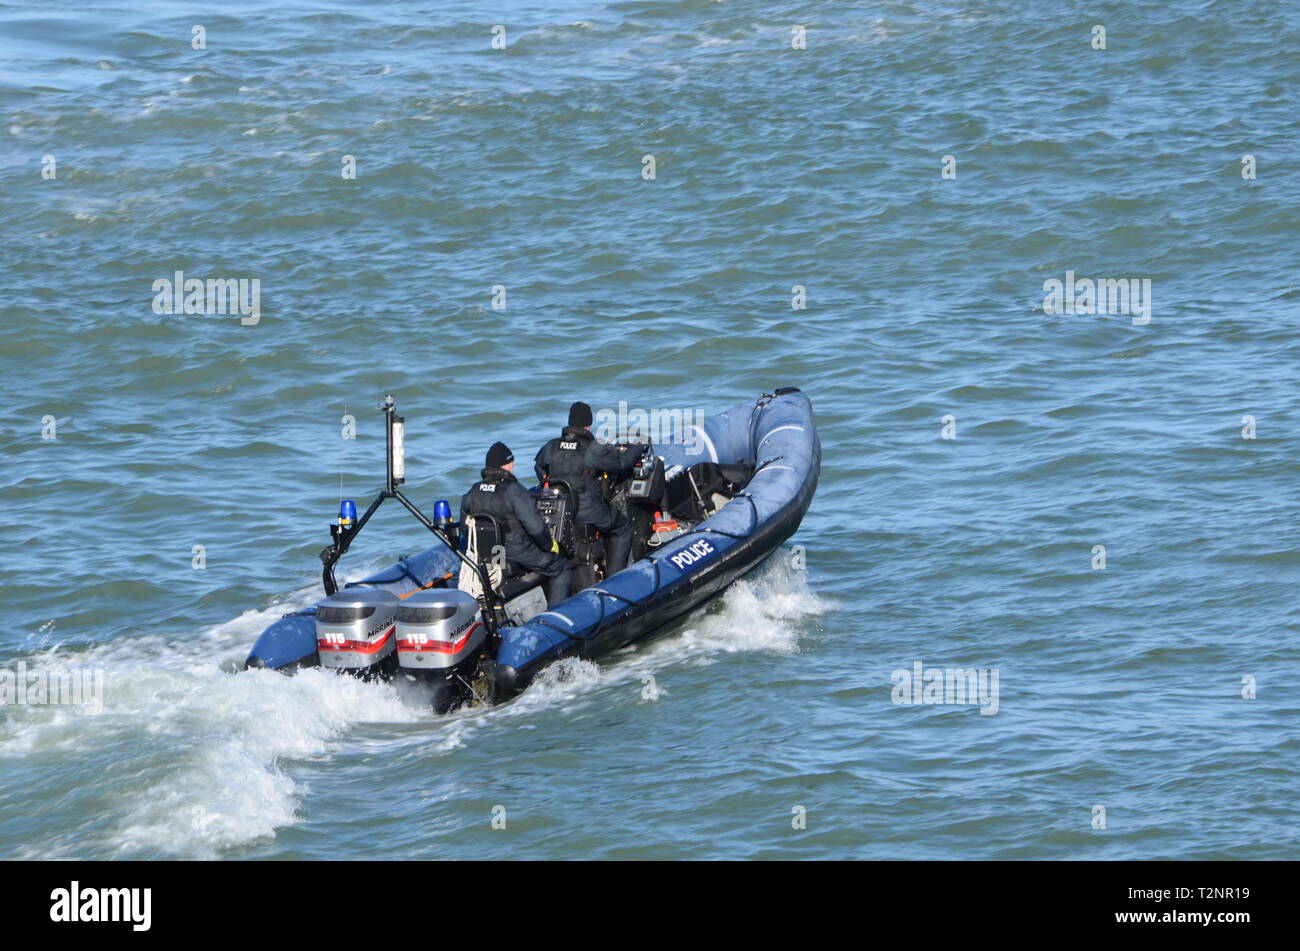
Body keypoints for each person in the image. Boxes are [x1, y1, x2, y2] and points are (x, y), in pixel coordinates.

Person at [460, 441, 571, 607]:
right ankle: (556, 617)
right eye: (512, 462)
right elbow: (537, 529)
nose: (514, 465)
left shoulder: (473, 491)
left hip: (490, 553)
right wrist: (549, 546)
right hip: (517, 551)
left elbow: (465, 527)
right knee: (561, 568)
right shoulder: (514, 491)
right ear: (505, 466)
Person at [534, 401, 639, 575]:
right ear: (588, 425)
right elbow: (621, 463)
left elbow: (539, 467)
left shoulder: (551, 446)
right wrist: (638, 445)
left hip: (559, 512)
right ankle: (616, 578)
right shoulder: (592, 448)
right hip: (588, 510)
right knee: (623, 528)